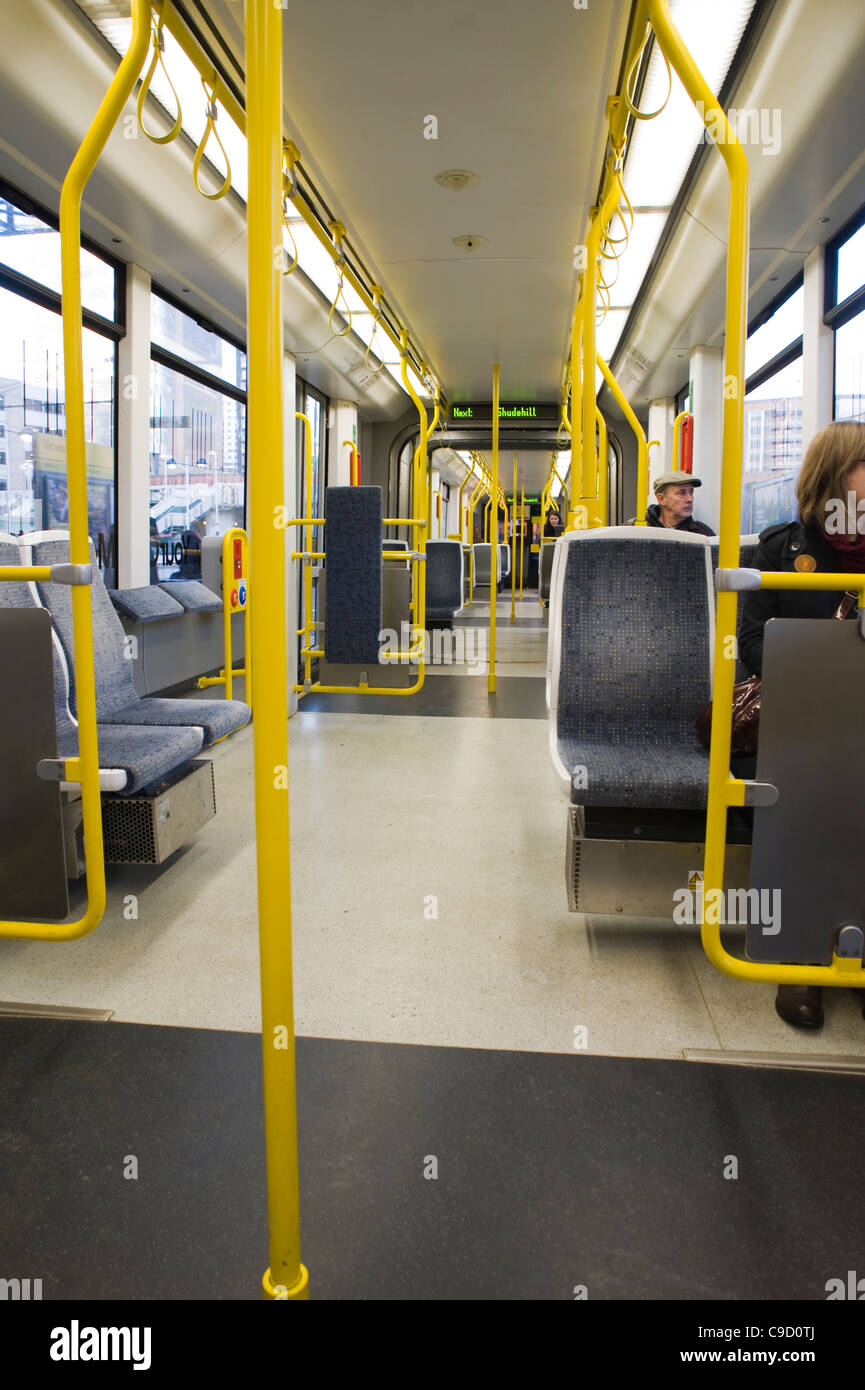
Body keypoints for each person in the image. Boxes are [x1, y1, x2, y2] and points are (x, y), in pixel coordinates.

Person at [739, 419, 865, 1029]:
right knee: (807, 796)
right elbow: (755, 648)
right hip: (806, 717)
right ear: (837, 477)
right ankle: (801, 951)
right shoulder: (778, 549)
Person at [640, 473, 715, 534]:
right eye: (681, 493)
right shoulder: (639, 528)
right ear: (661, 499)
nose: (690, 499)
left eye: (691, 492)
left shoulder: (702, 533)